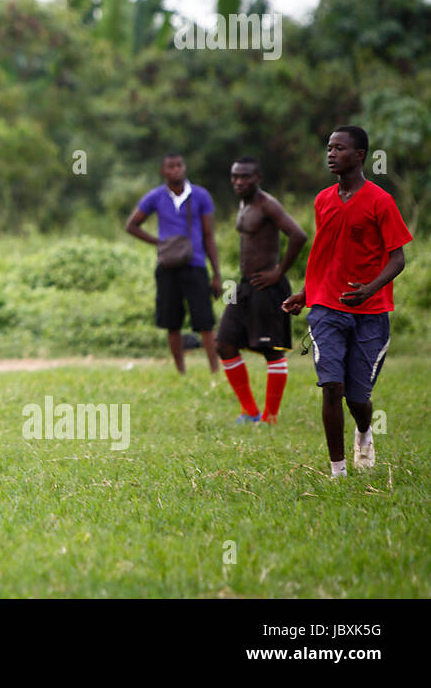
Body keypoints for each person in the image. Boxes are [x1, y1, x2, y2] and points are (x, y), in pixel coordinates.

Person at [283, 126, 411, 478]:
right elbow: (326, 256)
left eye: (339, 149)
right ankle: (337, 471)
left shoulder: (380, 201)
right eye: (328, 148)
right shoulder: (323, 200)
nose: (330, 154)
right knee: (331, 386)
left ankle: (364, 433)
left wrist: (370, 288)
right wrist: (306, 295)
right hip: (326, 307)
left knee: (357, 397)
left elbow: (398, 259)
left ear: (359, 156)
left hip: (371, 312)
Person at [215, 157, 308, 423]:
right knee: (224, 343)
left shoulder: (268, 204)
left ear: (258, 178)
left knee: (271, 350)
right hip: (245, 285)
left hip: (268, 286)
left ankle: (270, 417)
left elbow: (298, 235)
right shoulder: (243, 203)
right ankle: (249, 411)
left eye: (244, 177)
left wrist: (278, 271)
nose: (238, 182)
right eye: (234, 177)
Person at [126, 152, 222, 374]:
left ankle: (215, 370)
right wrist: (158, 243)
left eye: (179, 165)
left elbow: (209, 236)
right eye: (170, 166)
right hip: (167, 266)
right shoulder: (155, 197)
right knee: (172, 321)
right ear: (163, 171)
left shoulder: (200, 196)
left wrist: (216, 273)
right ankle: (181, 371)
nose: (175, 170)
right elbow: (132, 225)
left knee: (205, 321)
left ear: (185, 168)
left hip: (196, 264)